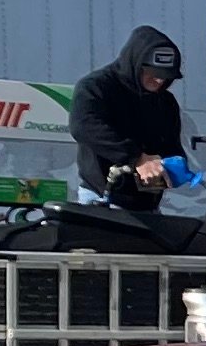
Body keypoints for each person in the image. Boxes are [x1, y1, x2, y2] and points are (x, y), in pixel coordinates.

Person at [67, 25, 189, 210]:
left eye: (166, 76)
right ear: (136, 64)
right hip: (104, 198)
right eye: (153, 74)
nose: (159, 81)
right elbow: (84, 127)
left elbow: (171, 144)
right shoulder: (96, 87)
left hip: (148, 204)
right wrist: (136, 158)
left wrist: (173, 165)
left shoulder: (166, 102)